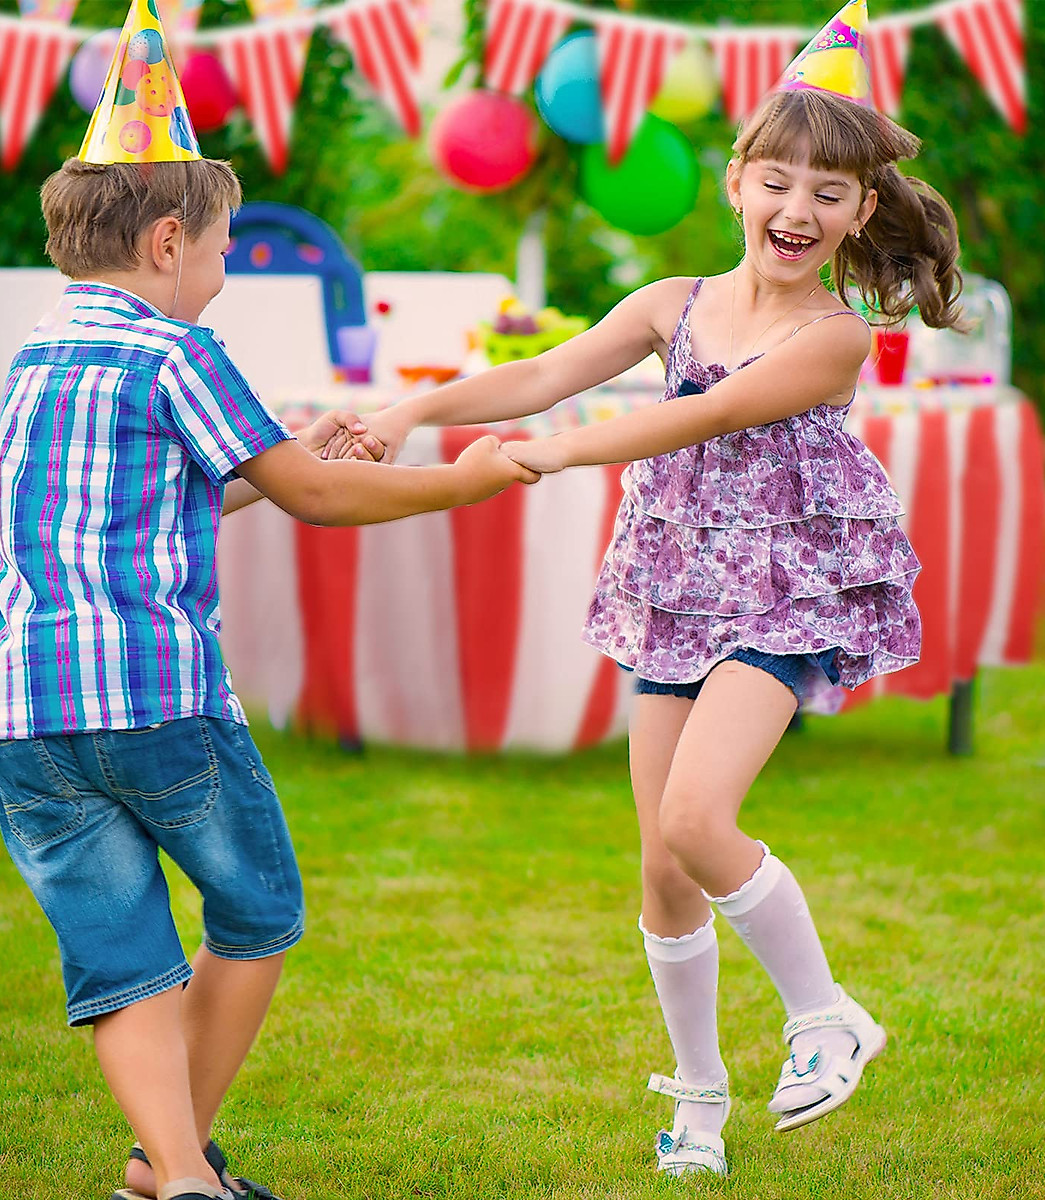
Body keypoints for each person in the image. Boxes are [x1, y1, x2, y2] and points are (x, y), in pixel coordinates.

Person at [326, 0, 963, 1177]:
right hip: (677, 591)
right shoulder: (670, 303)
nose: (798, 210)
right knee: (661, 866)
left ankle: (827, 1018)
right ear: (734, 183)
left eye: (830, 193)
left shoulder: (833, 334)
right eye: (778, 180)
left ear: (864, 212)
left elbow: (704, 412)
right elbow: (541, 372)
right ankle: (702, 1099)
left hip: (783, 592)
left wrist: (565, 451)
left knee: (694, 819)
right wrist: (410, 411)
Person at [0, 6, 537, 1200]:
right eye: (222, 250)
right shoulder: (176, 347)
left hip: (25, 720)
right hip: (156, 700)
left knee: (121, 961)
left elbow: (131, 508)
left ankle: (172, 1179)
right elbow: (317, 499)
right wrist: (461, 482)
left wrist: (275, 458)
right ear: (169, 240)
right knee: (258, 910)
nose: (224, 271)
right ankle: (174, 1174)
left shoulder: (43, 357)